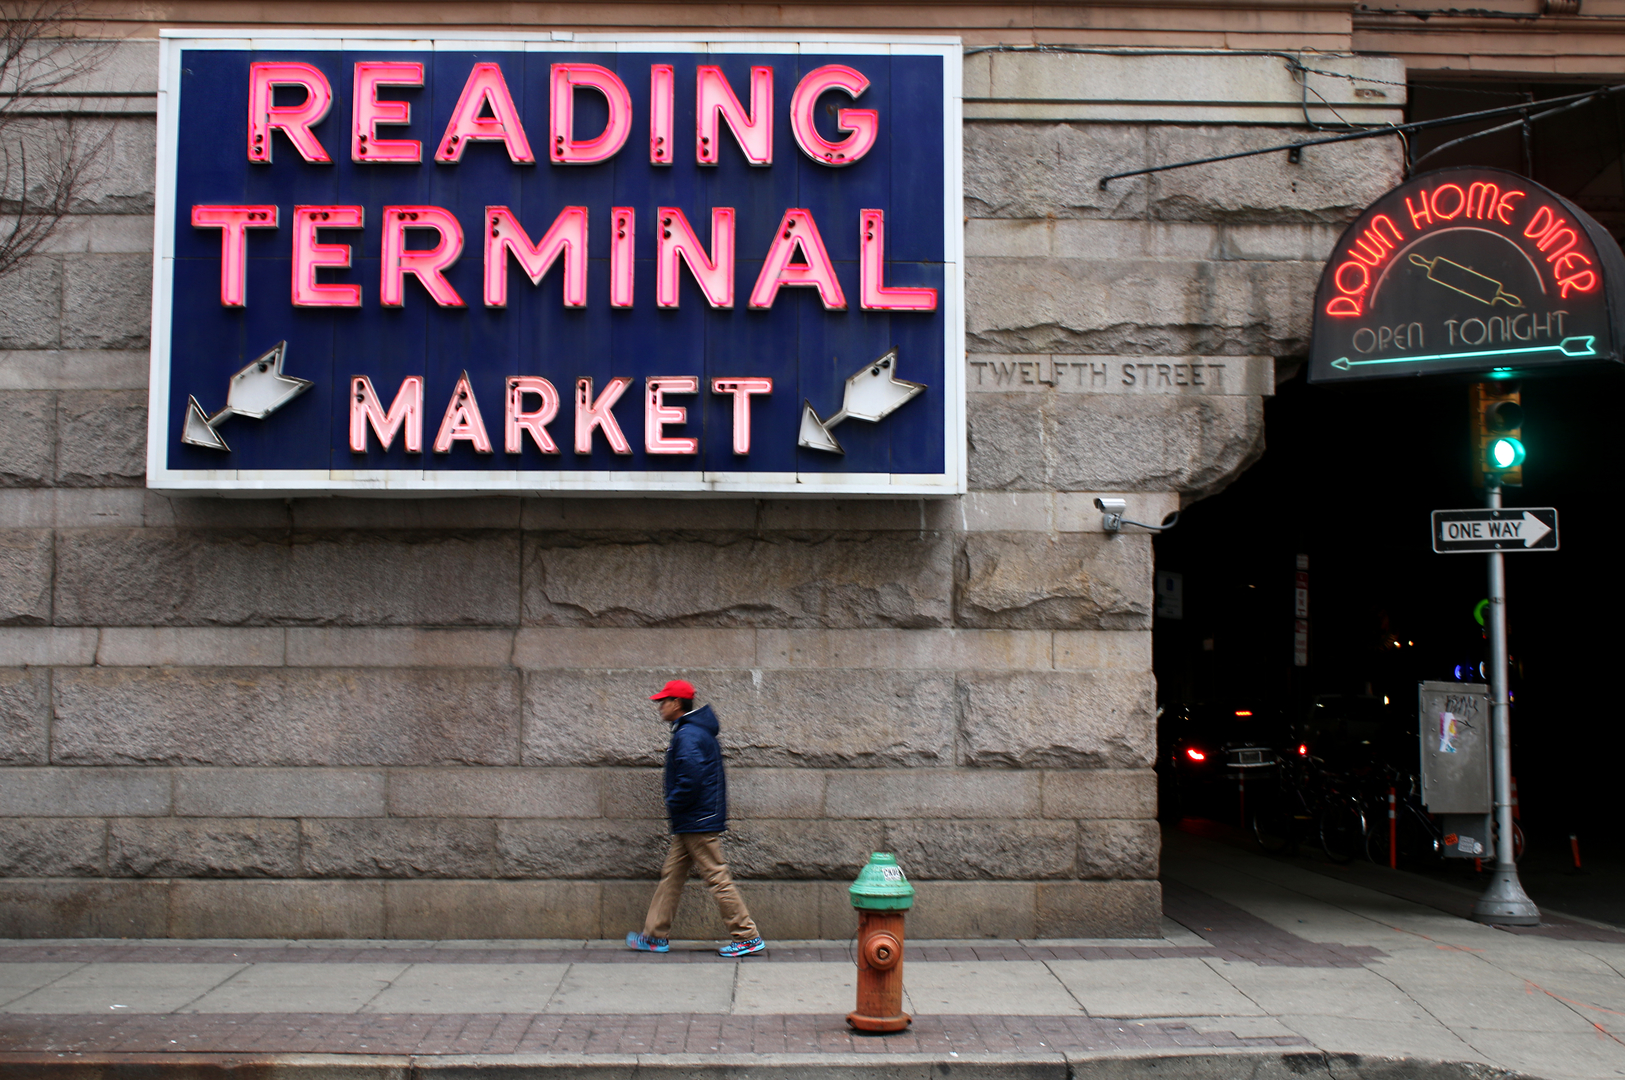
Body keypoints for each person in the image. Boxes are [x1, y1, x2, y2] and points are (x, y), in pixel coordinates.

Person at [626, 678, 767, 957]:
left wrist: (673, 801)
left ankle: (747, 936)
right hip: (694, 818)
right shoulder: (693, 731)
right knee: (672, 875)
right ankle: (654, 936)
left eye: (663, 702)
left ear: (677, 703)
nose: (659, 707)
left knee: (716, 876)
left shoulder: (688, 735)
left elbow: (691, 776)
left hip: (696, 819)